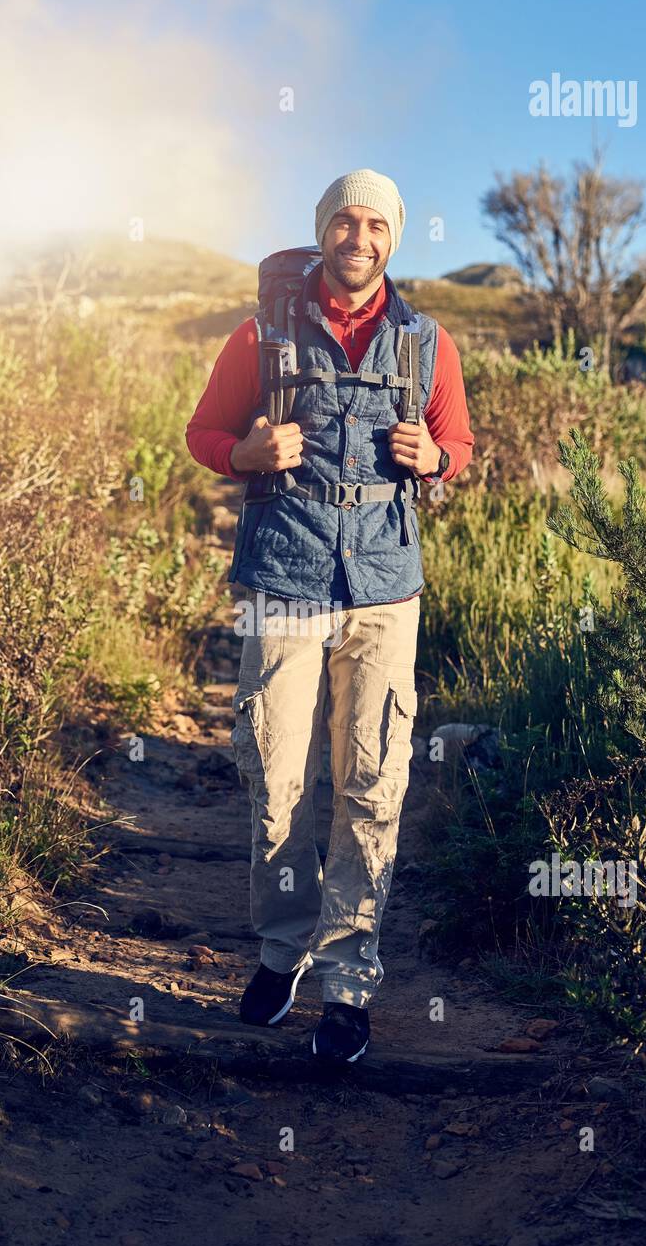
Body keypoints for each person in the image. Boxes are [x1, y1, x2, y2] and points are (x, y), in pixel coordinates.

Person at [186, 169, 474, 1062]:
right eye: (345, 222)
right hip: (287, 580)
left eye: (376, 224)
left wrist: (435, 457)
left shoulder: (428, 345)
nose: (360, 238)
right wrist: (246, 450)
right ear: (324, 232)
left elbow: (457, 444)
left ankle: (350, 981)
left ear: (394, 238)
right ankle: (283, 950)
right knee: (275, 774)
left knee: (371, 784)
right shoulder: (263, 333)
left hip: (386, 592)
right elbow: (202, 434)